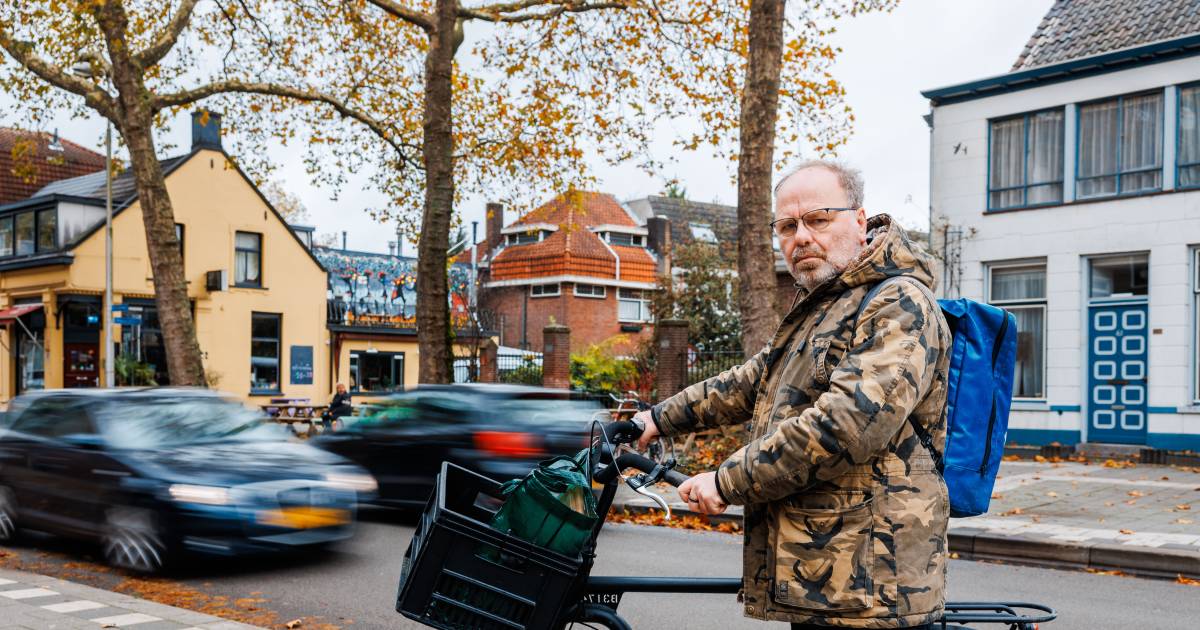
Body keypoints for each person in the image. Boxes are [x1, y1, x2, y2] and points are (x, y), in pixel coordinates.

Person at [633, 160, 952, 629]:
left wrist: (726, 482)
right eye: (787, 225)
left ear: (859, 221)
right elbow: (749, 382)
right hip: (829, 576)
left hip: (874, 589)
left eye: (818, 219)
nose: (800, 237)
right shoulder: (822, 307)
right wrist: (656, 419)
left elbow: (846, 425)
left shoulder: (899, 303)